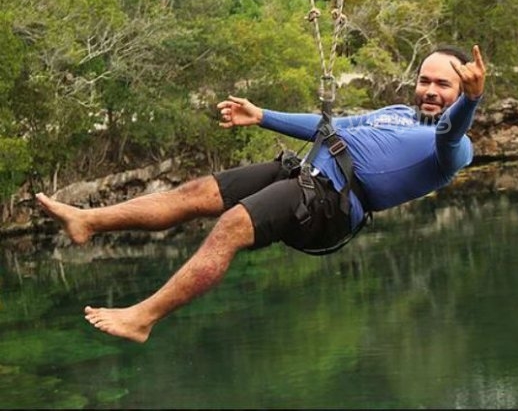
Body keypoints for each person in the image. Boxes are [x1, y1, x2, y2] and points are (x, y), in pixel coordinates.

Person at [35, 44, 486, 343]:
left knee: (231, 225)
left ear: (458, 91)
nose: (429, 91)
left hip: (330, 205)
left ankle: (143, 319)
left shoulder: (454, 148)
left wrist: (471, 100)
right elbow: (333, 128)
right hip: (307, 174)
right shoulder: (397, 113)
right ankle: (88, 221)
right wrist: (263, 115)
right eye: (425, 81)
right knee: (198, 192)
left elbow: (449, 134)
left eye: (443, 85)